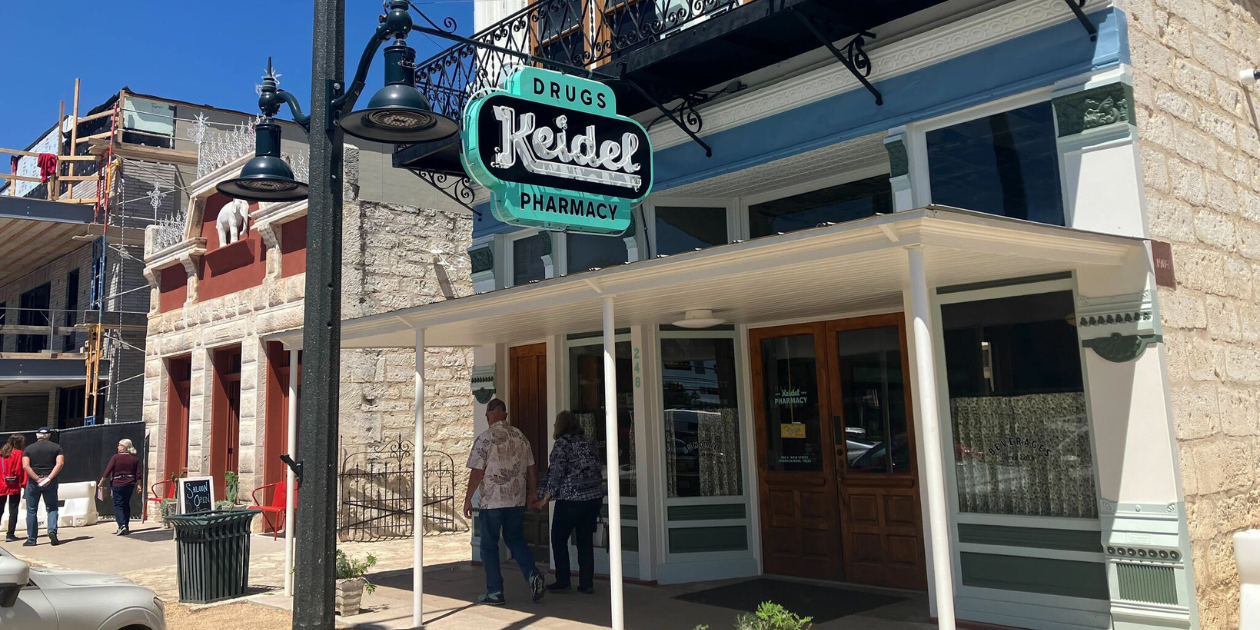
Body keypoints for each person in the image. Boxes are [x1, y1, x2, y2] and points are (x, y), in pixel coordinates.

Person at [462, 398, 546, 606]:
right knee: (515, 539)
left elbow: (477, 473)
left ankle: (495, 591)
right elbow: (532, 468)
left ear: (488, 416)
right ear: (505, 415)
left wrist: (468, 499)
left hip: (492, 502)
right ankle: (532, 573)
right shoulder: (520, 436)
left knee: (489, 546)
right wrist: (532, 492)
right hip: (516, 500)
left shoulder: (485, 438)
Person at [532, 410, 606, 595]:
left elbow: (556, 473)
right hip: (593, 498)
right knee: (585, 541)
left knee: (558, 539)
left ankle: (563, 580)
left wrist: (544, 498)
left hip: (571, 499)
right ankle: (586, 583)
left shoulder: (562, 444)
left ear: (560, 425)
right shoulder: (589, 442)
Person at [22, 427, 64, 546]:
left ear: (37, 435)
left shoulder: (29, 449)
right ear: (49, 435)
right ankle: (52, 531)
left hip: (33, 482)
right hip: (50, 481)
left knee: (31, 510)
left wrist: (37, 478)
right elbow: (60, 463)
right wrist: (49, 478)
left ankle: (31, 539)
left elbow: (25, 466)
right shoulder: (56, 448)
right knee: (52, 508)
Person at [100, 438, 140, 536]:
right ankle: (126, 525)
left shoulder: (116, 458)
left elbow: (107, 471)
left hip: (118, 483)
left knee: (118, 504)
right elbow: (138, 474)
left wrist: (101, 482)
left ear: (123, 447)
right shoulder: (134, 458)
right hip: (130, 483)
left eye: (119, 445)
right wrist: (139, 485)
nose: (117, 447)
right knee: (126, 504)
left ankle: (122, 525)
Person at [1, 435, 27, 542]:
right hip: (13, 485)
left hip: (1, 485)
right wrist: (24, 485)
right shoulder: (19, 454)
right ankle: (10, 534)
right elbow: (19, 470)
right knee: (13, 510)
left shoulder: (2, 453)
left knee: (0, 510)